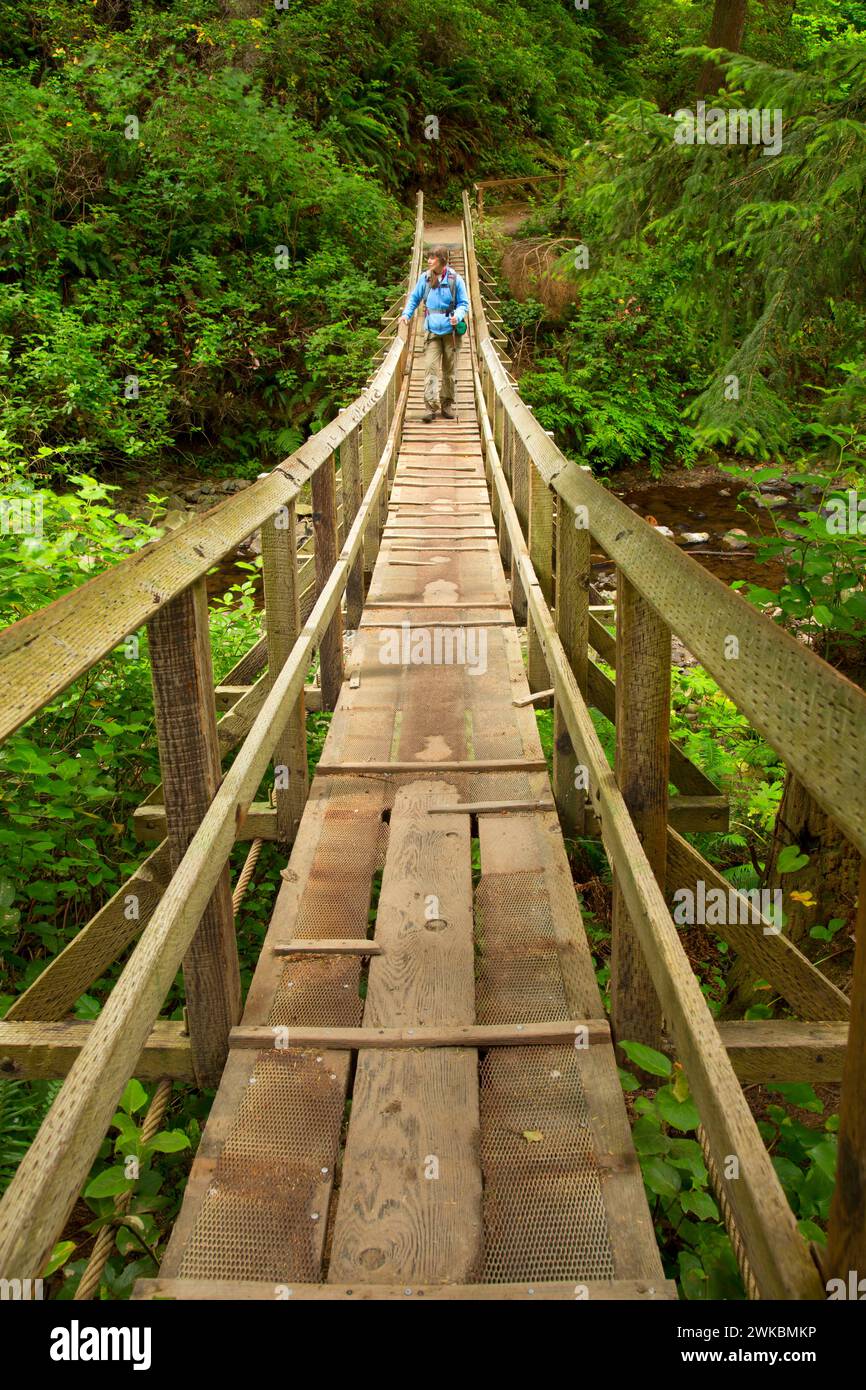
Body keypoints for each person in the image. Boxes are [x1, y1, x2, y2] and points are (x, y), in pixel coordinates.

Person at [401, 246, 470, 422]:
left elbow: (464, 303)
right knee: (430, 368)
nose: (429, 261)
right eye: (429, 258)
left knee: (449, 370)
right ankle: (431, 407)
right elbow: (414, 299)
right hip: (431, 331)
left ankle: (446, 405)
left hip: (451, 332)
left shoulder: (455, 279)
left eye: (432, 258)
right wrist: (406, 315)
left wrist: (458, 315)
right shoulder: (425, 279)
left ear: (442, 260)